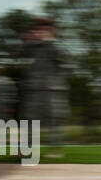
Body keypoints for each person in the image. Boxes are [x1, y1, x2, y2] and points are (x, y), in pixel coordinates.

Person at [20, 17, 67, 156]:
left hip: (51, 88)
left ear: (51, 30)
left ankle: (55, 150)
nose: (40, 32)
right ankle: (27, 148)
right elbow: (22, 52)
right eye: (38, 29)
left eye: (43, 29)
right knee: (29, 119)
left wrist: (48, 41)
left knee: (53, 119)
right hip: (34, 87)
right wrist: (28, 40)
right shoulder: (32, 45)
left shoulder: (55, 45)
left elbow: (63, 58)